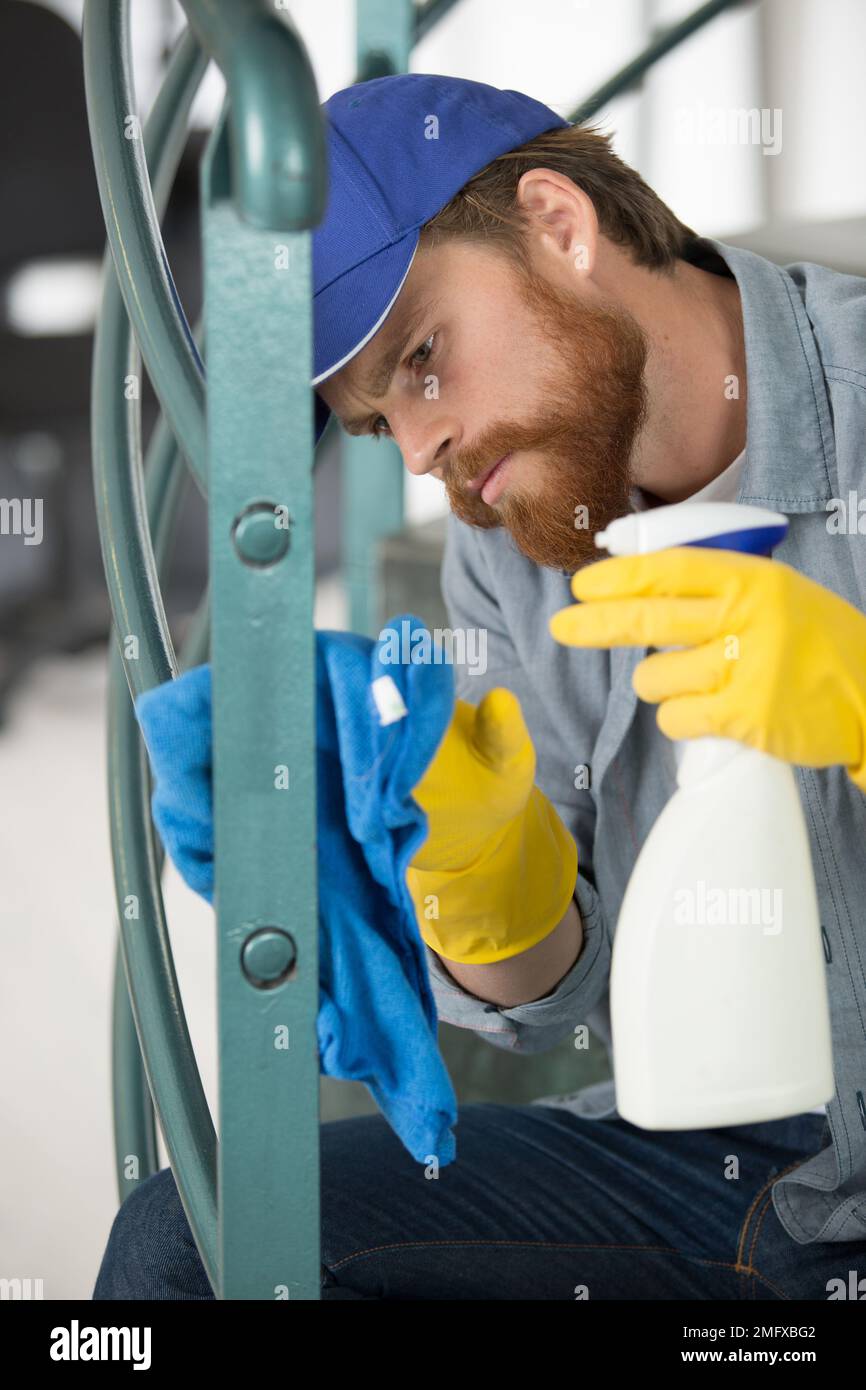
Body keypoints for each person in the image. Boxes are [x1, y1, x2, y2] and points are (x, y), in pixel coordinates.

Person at [94, 73, 866, 1300]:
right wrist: (479, 876)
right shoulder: (505, 549)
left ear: (559, 225)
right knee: (192, 1239)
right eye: (370, 422)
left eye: (419, 358)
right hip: (722, 1161)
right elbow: (563, 1000)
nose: (416, 449)